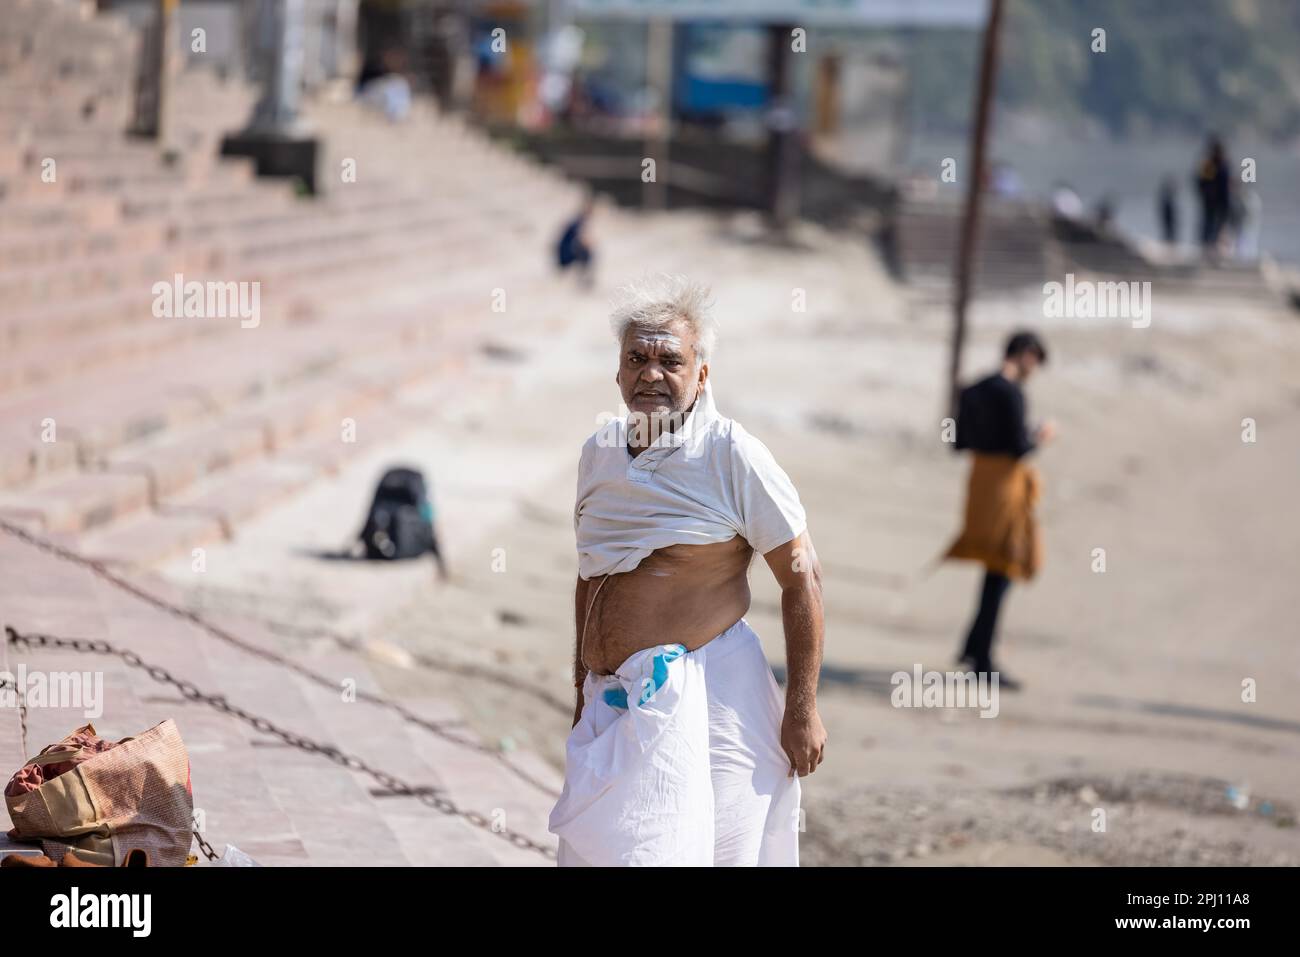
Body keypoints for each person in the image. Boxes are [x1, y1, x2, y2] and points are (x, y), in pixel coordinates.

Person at [549, 275, 826, 866]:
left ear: (702, 374)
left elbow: (802, 577)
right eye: (637, 359)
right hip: (612, 698)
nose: (651, 374)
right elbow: (590, 577)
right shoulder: (598, 453)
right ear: (617, 374)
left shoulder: (732, 454)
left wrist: (802, 707)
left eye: (670, 360)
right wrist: (580, 687)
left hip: (707, 693)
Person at [945, 331, 1055, 691]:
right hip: (1004, 488)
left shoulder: (974, 389)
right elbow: (1020, 447)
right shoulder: (1010, 392)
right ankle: (982, 658)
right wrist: (1041, 436)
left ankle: (973, 647)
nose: (1033, 369)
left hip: (979, 483)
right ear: (1024, 355)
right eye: (1035, 360)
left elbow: (958, 443)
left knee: (995, 570)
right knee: (1003, 569)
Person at [1194, 135, 1231, 256]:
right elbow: (1203, 183)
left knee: (1219, 227)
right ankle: (1207, 249)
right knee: (1209, 227)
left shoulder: (1222, 164)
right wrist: (1209, 194)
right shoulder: (1210, 165)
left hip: (1221, 202)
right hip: (1212, 203)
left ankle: (1216, 249)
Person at [555, 196, 595, 286]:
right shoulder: (577, 222)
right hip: (565, 255)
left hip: (566, 253)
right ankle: (583, 278)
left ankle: (583, 276)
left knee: (587, 251)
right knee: (586, 251)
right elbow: (576, 241)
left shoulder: (578, 221)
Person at [1158, 176, 1179, 246]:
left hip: (1168, 219)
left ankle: (1168, 244)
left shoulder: (1165, 196)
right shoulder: (1167, 198)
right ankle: (1169, 245)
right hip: (1168, 220)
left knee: (1169, 233)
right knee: (1169, 233)